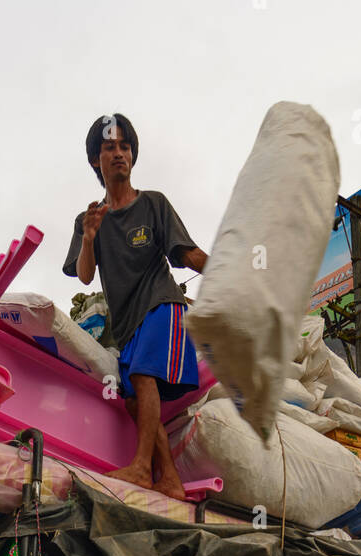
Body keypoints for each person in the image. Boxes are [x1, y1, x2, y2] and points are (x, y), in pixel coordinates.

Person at [63, 113, 209, 501]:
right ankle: (171, 481)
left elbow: (187, 253)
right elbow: (83, 275)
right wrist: (90, 237)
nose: (118, 153)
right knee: (133, 400)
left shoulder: (154, 205)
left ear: (133, 155)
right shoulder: (88, 219)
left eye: (124, 146)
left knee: (144, 379)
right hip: (127, 325)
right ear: (96, 159)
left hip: (162, 307)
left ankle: (142, 469)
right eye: (109, 147)